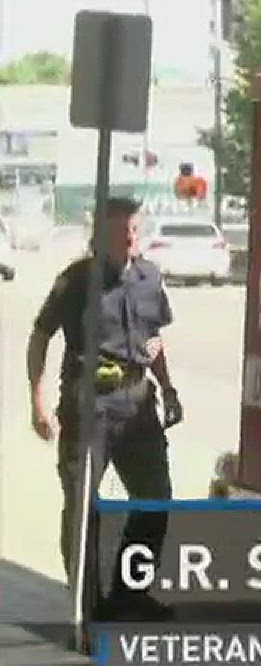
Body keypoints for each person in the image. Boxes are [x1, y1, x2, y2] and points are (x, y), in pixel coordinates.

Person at [24, 196, 182, 621]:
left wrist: (168, 388)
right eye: (120, 230)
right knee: (82, 507)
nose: (129, 237)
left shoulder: (149, 277)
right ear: (100, 234)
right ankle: (88, 607)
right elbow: (40, 337)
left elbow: (154, 339)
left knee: (155, 500)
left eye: (133, 229)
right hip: (88, 403)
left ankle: (130, 595)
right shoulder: (76, 280)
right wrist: (37, 402)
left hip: (138, 404)